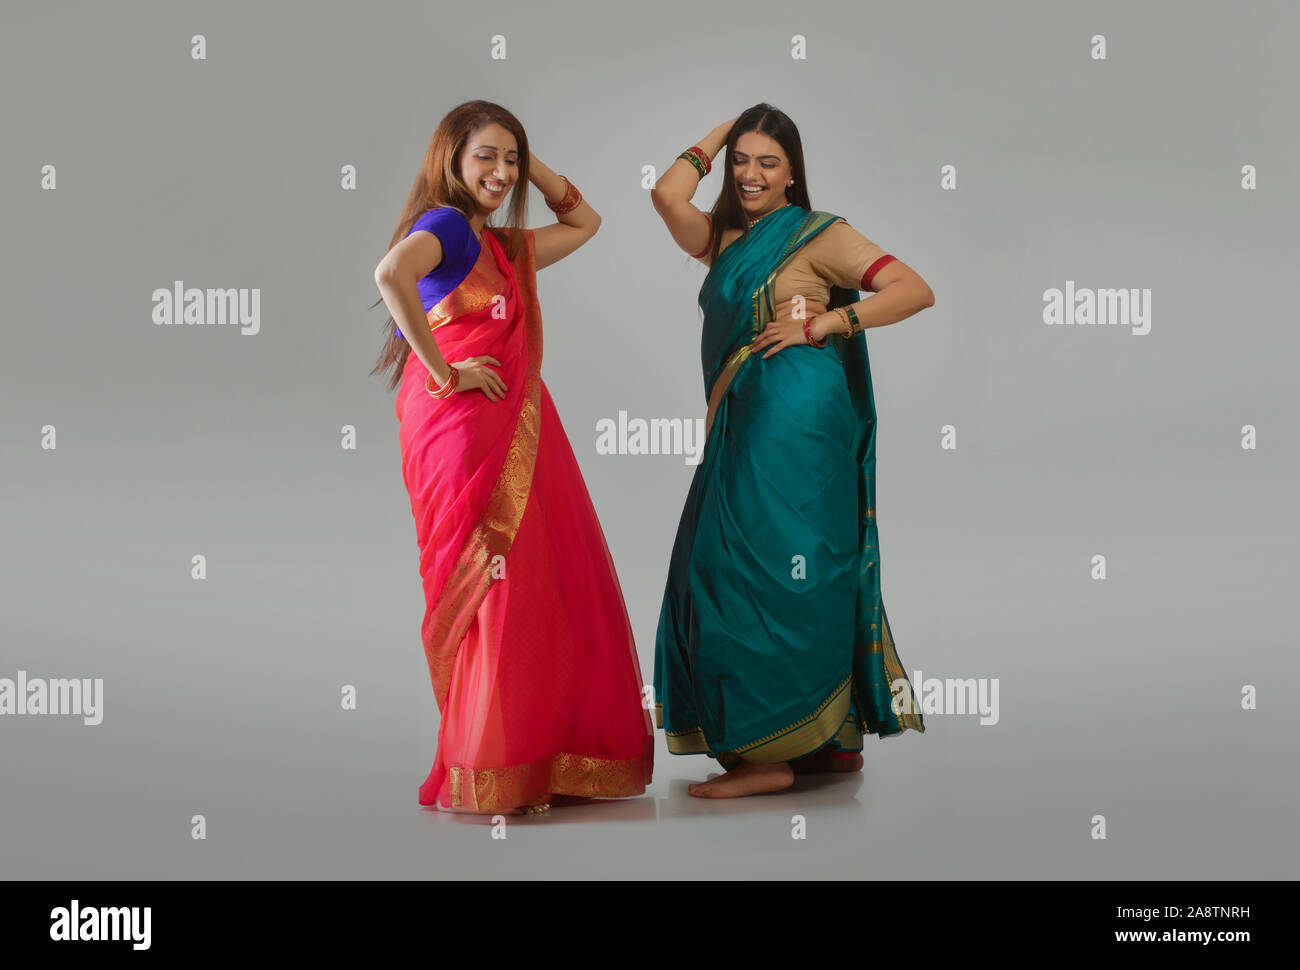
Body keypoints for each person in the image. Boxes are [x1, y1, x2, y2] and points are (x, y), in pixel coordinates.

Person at [371, 100, 653, 815]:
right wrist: (445, 371)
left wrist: (535, 166)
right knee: (492, 588)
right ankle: (492, 763)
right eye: (485, 156)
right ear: (451, 161)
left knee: (523, 584)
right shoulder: (444, 227)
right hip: (462, 431)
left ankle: (528, 758)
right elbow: (390, 275)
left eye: (511, 159)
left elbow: (586, 223)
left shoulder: (499, 246)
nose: (500, 172)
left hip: (509, 423)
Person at [650, 104, 935, 798]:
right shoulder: (720, 239)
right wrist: (725, 126)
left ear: (792, 174)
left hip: (799, 418)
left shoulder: (820, 234)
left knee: (760, 567)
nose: (750, 173)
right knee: (734, 565)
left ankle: (765, 758)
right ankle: (825, 744)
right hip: (743, 414)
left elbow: (914, 290)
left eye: (767, 162)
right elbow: (665, 194)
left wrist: (828, 323)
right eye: (741, 159)